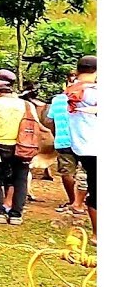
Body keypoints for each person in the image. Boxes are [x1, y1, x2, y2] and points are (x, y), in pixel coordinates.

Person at [0, 75, 42, 225]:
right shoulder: (27, 105)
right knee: (20, 180)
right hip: (23, 147)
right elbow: (35, 125)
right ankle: (16, 215)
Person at [65, 55, 98, 241]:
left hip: (82, 147)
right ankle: (97, 235)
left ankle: (97, 234)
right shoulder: (94, 92)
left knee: (94, 186)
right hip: (97, 146)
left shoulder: (71, 91)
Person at [47, 85, 88, 214]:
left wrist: (56, 135)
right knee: (87, 172)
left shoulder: (57, 100)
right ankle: (82, 202)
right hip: (85, 141)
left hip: (63, 141)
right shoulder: (87, 97)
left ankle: (73, 201)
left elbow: (50, 120)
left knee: (67, 172)